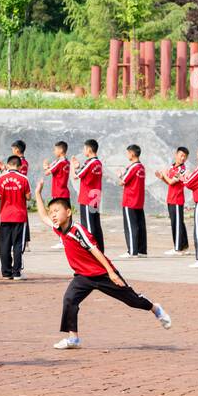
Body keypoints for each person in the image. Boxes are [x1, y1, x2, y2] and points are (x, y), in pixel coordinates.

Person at [33, 181, 171, 351]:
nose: (53, 215)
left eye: (56, 211)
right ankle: (73, 339)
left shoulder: (78, 231)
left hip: (103, 273)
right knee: (69, 300)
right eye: (51, 212)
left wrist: (111, 273)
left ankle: (155, 308)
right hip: (83, 276)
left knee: (132, 300)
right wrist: (38, 193)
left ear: (68, 212)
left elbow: (96, 251)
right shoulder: (59, 228)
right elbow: (43, 217)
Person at [0, 155, 31, 279]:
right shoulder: (24, 178)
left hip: (5, 215)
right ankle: (16, 272)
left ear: (8, 164)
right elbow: (28, 197)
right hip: (19, 216)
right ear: (20, 166)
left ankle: (6, 272)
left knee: (4, 244)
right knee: (17, 245)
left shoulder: (2, 178)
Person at [155, 147, 190, 256]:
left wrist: (164, 174)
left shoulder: (182, 169)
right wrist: (162, 177)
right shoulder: (172, 167)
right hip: (171, 198)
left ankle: (178, 248)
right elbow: (169, 183)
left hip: (177, 199)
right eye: (181, 155)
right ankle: (183, 246)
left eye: (185, 156)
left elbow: (171, 182)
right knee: (176, 222)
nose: (183, 158)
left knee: (177, 223)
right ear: (176, 155)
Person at [72, 139, 104, 250]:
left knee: (88, 225)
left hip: (87, 197)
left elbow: (77, 175)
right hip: (95, 196)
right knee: (95, 223)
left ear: (89, 149)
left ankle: (93, 250)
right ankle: (100, 249)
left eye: (84, 148)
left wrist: (74, 167)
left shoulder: (90, 163)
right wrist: (78, 167)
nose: (83, 151)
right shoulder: (98, 163)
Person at [118, 145, 148, 258]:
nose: (127, 155)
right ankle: (142, 250)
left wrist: (120, 175)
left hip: (130, 200)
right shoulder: (142, 167)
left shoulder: (133, 167)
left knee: (130, 226)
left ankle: (132, 251)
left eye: (127, 153)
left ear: (132, 153)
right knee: (140, 225)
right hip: (139, 200)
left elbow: (123, 181)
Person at [44, 141, 71, 205]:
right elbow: (51, 167)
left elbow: (47, 172)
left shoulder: (59, 162)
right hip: (65, 193)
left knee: (58, 214)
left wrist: (45, 166)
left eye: (55, 149)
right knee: (66, 213)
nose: (54, 151)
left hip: (58, 193)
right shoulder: (67, 162)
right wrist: (47, 167)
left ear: (61, 150)